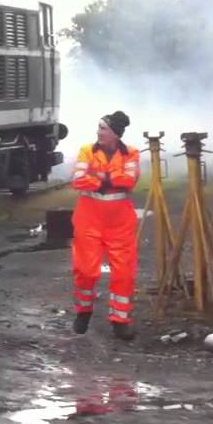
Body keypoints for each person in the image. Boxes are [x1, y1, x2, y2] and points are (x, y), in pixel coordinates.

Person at [69, 111, 141, 341]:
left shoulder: (131, 153)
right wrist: (110, 180)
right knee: (85, 270)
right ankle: (83, 312)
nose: (98, 132)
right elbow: (78, 180)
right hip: (88, 220)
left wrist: (99, 179)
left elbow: (129, 180)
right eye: (99, 127)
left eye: (103, 128)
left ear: (115, 133)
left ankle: (120, 321)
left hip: (120, 223)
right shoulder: (86, 151)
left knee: (124, 273)